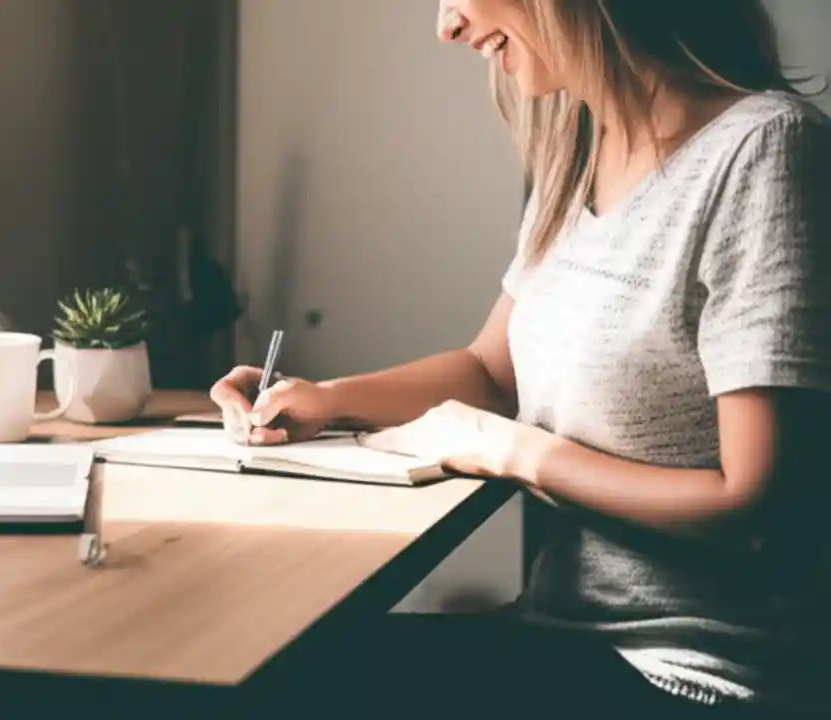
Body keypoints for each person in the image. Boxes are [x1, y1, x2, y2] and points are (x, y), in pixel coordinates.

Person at [213, 1, 831, 717]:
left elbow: (752, 505)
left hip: (690, 676)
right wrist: (322, 396)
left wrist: (515, 454)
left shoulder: (767, 151)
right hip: (561, 634)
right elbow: (492, 373)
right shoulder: (582, 150)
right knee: (263, 661)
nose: (447, 25)